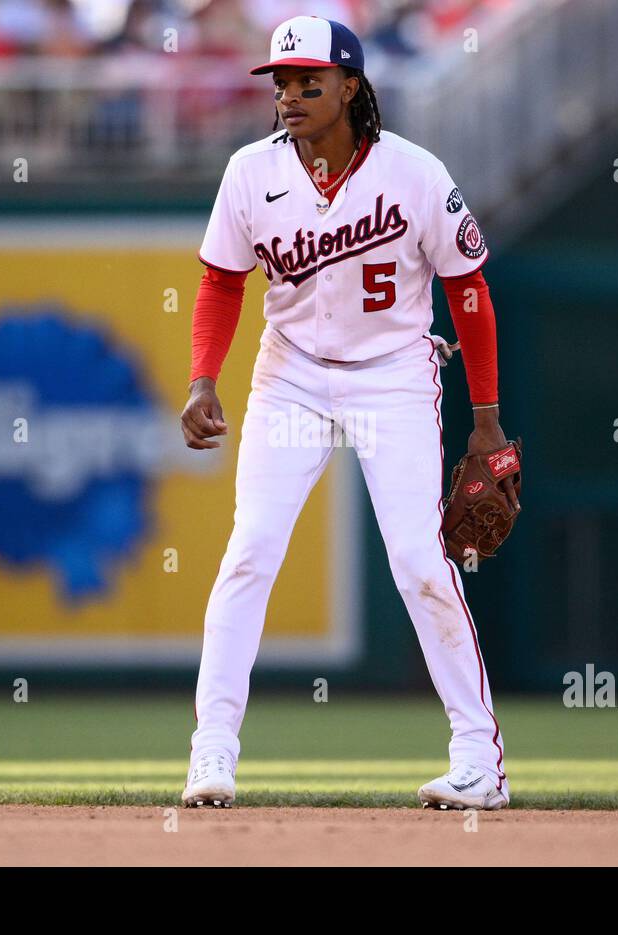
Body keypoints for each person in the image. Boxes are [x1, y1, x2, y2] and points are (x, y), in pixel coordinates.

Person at [179, 15, 518, 811]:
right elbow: (223, 282)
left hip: (394, 374)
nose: (291, 96)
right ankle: (211, 754)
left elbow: (468, 288)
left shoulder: (415, 173)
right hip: (291, 373)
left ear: (351, 86)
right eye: (282, 83)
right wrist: (202, 379)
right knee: (251, 552)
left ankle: (480, 761)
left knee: (418, 562)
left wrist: (488, 415)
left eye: (310, 82)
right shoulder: (248, 172)